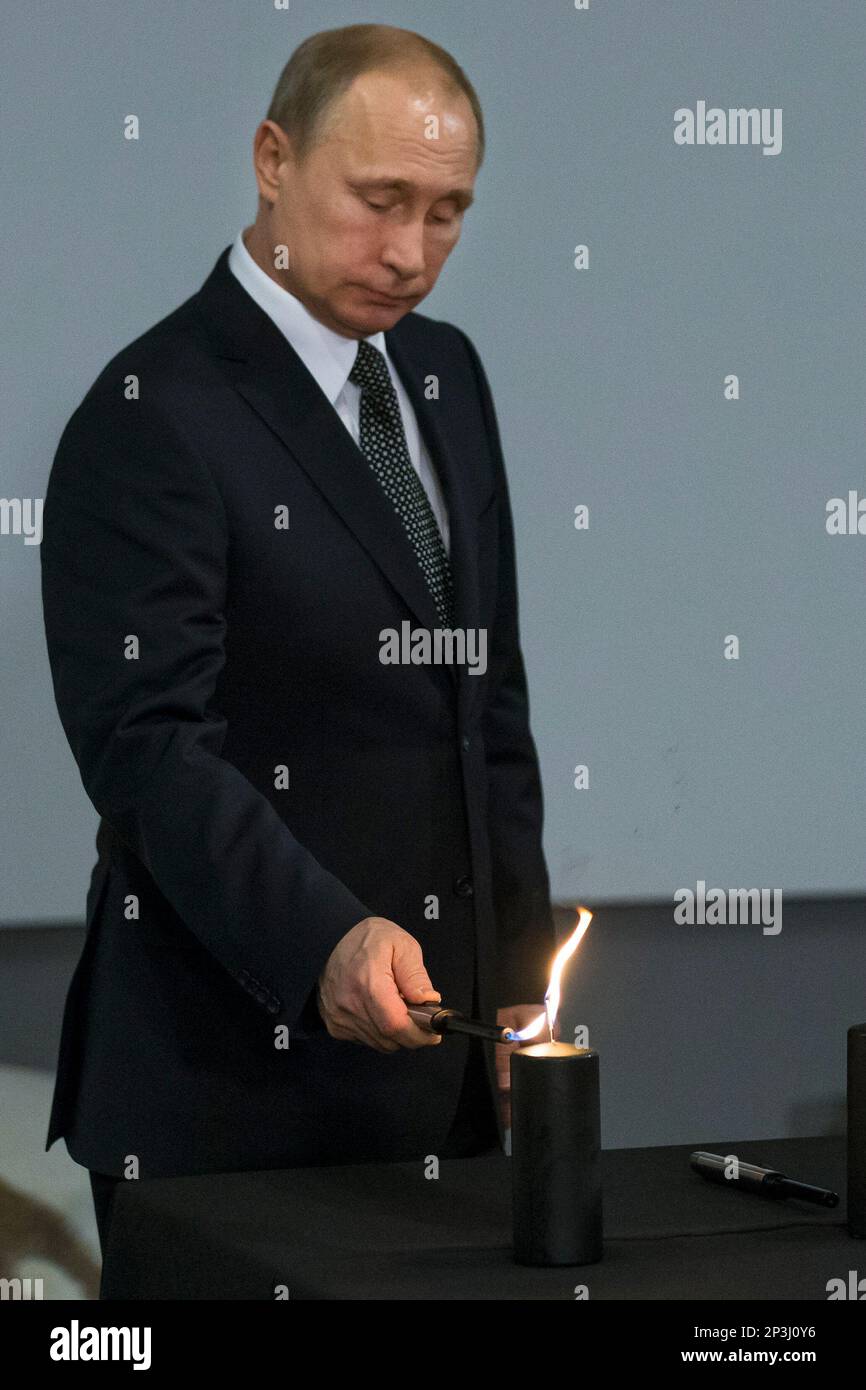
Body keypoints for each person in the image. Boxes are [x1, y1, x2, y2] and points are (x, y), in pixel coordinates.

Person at [41, 23, 556, 1258]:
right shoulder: (152, 412)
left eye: (445, 213)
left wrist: (520, 982)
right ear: (272, 158)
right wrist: (322, 938)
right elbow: (149, 748)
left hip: (447, 1080)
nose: (409, 254)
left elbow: (485, 704)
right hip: (231, 1095)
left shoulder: (444, 373)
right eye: (378, 200)